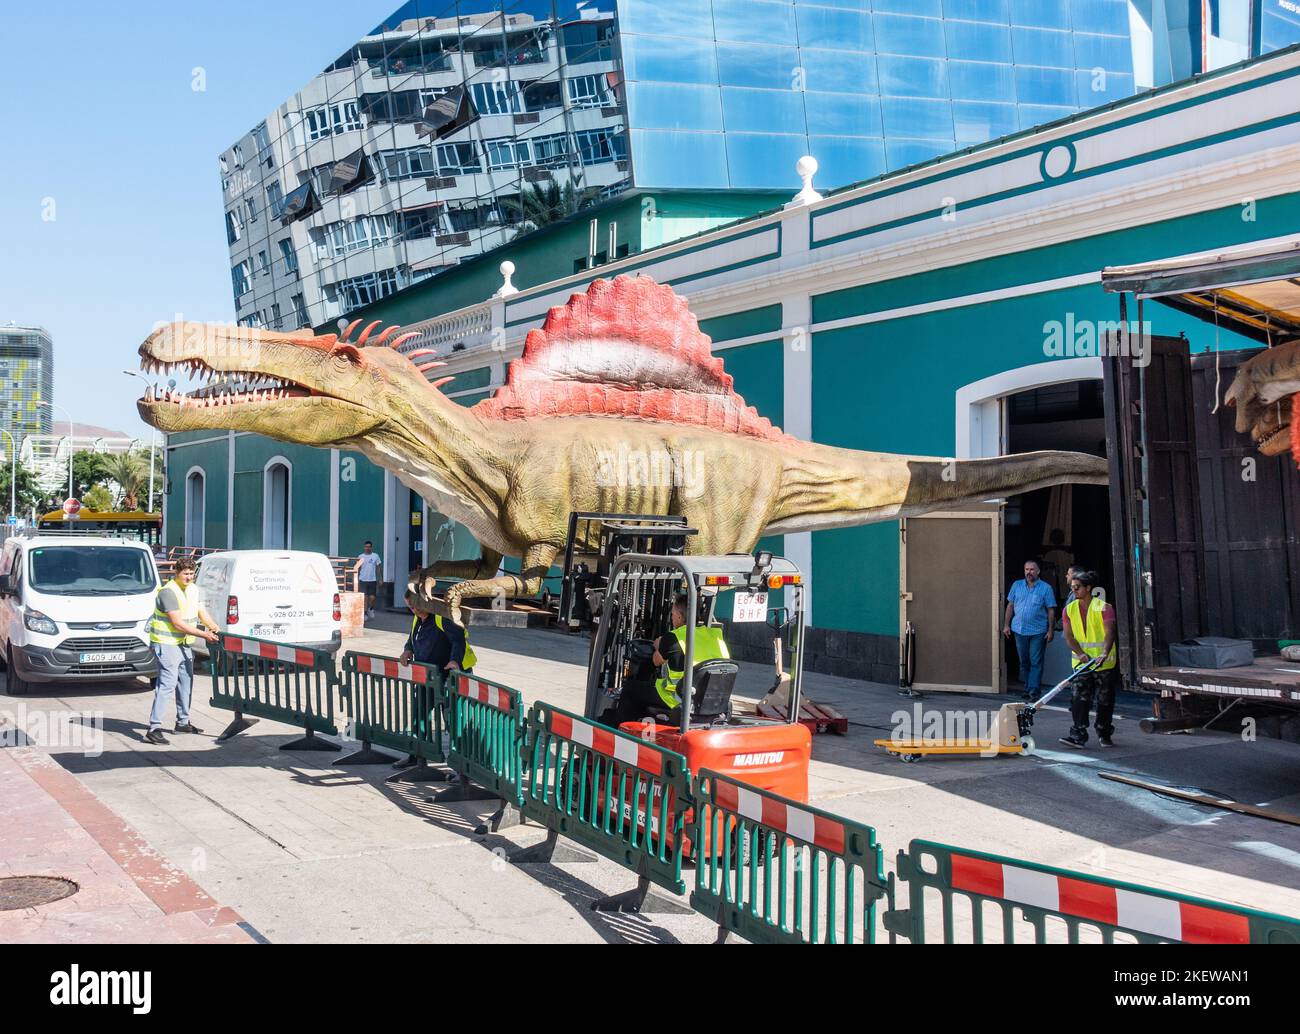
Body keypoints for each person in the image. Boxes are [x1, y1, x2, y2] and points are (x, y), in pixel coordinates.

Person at [617, 593, 730, 725]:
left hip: (677, 699)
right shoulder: (715, 635)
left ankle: (621, 731)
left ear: (679, 616)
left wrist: (659, 645)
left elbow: (655, 661)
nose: (671, 618)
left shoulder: (674, 638)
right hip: (711, 701)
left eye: (672, 614)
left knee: (631, 688)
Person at [145, 556, 219, 745]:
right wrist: (205, 635)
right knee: (167, 684)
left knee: (186, 682)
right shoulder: (168, 592)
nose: (189, 577)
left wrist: (213, 626)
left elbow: (201, 612)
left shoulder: (193, 589)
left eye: (191, 573)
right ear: (176, 573)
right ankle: (154, 728)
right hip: (166, 643)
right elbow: (177, 623)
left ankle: (183, 722)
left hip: (184, 643)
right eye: (185, 573)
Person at [394, 604, 477, 768]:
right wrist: (407, 649)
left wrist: (454, 661)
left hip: (452, 676)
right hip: (430, 676)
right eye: (411, 607)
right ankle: (418, 755)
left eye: (417, 606)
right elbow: (412, 638)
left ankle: (462, 766)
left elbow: (458, 640)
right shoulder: (418, 618)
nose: (415, 610)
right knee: (420, 714)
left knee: (453, 719)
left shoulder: (443, 617)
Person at [1060, 570, 1119, 748]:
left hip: (1104, 663)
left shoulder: (1104, 607)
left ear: (1088, 588)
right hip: (1082, 663)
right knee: (1079, 698)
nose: (1074, 591)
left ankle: (1104, 731)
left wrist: (1104, 652)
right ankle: (1078, 733)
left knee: (1105, 700)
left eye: (1077, 588)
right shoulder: (1069, 610)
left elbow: (1110, 632)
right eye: (1072, 588)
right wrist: (1080, 653)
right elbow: (1069, 637)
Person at [1003, 560, 1056, 700]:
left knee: (1035, 661)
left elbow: (1051, 610)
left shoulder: (1045, 588)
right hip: (1019, 630)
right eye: (1026, 569)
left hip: (1038, 631)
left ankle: (1034, 691)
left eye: (1032, 569)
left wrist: (1050, 630)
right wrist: (1006, 625)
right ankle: (1027, 687)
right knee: (1024, 662)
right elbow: (1010, 606)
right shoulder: (1017, 585)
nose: (1029, 572)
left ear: (1038, 571)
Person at [353, 541, 382, 619]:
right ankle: (365, 614)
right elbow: (357, 568)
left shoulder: (375, 556)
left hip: (372, 580)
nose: (367, 548)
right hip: (363, 580)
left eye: (369, 547)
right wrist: (356, 579)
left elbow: (379, 568)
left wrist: (380, 579)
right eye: (366, 547)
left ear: (371, 547)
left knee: (372, 598)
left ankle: (371, 609)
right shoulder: (360, 557)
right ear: (364, 547)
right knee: (365, 597)